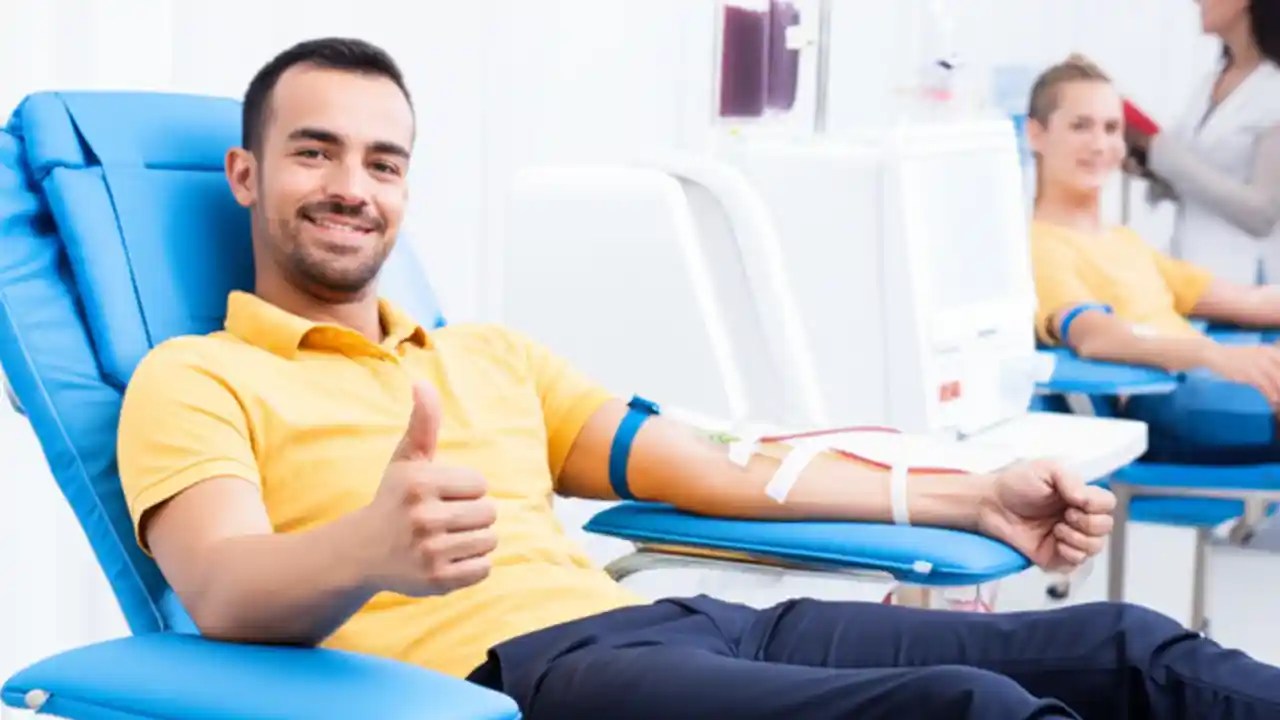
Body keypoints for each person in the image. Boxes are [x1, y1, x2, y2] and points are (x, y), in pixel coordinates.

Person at [116, 36, 1280, 720]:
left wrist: (963, 498)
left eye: (382, 160)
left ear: (406, 188)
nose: (350, 186)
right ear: (245, 173)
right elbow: (221, 588)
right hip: (530, 672)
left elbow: (725, 465)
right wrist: (368, 551)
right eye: (313, 152)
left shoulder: (484, 355)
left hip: (679, 622)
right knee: (966, 713)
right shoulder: (196, 376)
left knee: (1134, 648)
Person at [1029, 53, 1280, 463]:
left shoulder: (1125, 243)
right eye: (1080, 126)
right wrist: (1213, 355)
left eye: (1112, 128)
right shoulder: (1040, 245)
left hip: (1214, 385)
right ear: (1035, 135)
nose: (1100, 144)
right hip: (1165, 402)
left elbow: (1249, 303)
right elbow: (1096, 336)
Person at [1126, 0, 1280, 284]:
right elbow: (1197, 179)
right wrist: (1144, 159)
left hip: (1250, 288)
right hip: (1193, 278)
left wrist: (1161, 151)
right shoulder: (1209, 82)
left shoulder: (1274, 89)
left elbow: (1263, 214)